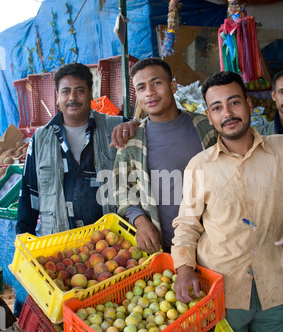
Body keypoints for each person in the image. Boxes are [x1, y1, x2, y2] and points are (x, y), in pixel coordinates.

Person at [171, 70, 283, 332]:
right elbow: (186, 225)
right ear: (210, 116)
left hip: (275, 290)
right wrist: (183, 269)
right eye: (216, 107)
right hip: (222, 295)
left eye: (233, 102)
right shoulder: (199, 167)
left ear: (248, 103)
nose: (227, 113)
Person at [16, 62, 139, 236]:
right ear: (58, 96)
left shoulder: (118, 127)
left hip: (111, 242)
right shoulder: (41, 138)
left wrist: (136, 125)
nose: (72, 97)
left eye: (79, 90)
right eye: (66, 91)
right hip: (58, 246)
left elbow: (151, 134)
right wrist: (23, 238)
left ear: (90, 93)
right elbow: (29, 194)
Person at [113, 57, 217, 254]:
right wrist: (140, 221)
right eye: (141, 88)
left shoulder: (206, 128)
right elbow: (123, 191)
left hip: (210, 242)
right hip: (162, 247)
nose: (150, 93)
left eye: (156, 83)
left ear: (173, 86)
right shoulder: (132, 141)